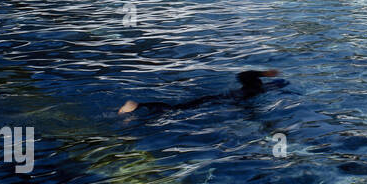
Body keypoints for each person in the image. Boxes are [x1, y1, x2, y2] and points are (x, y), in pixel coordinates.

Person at [118, 69, 282, 114]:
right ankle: (137, 106)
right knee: (176, 110)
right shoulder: (255, 91)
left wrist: (263, 74)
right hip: (216, 101)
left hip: (213, 98)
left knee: (178, 108)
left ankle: (139, 106)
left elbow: (243, 75)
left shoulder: (252, 86)